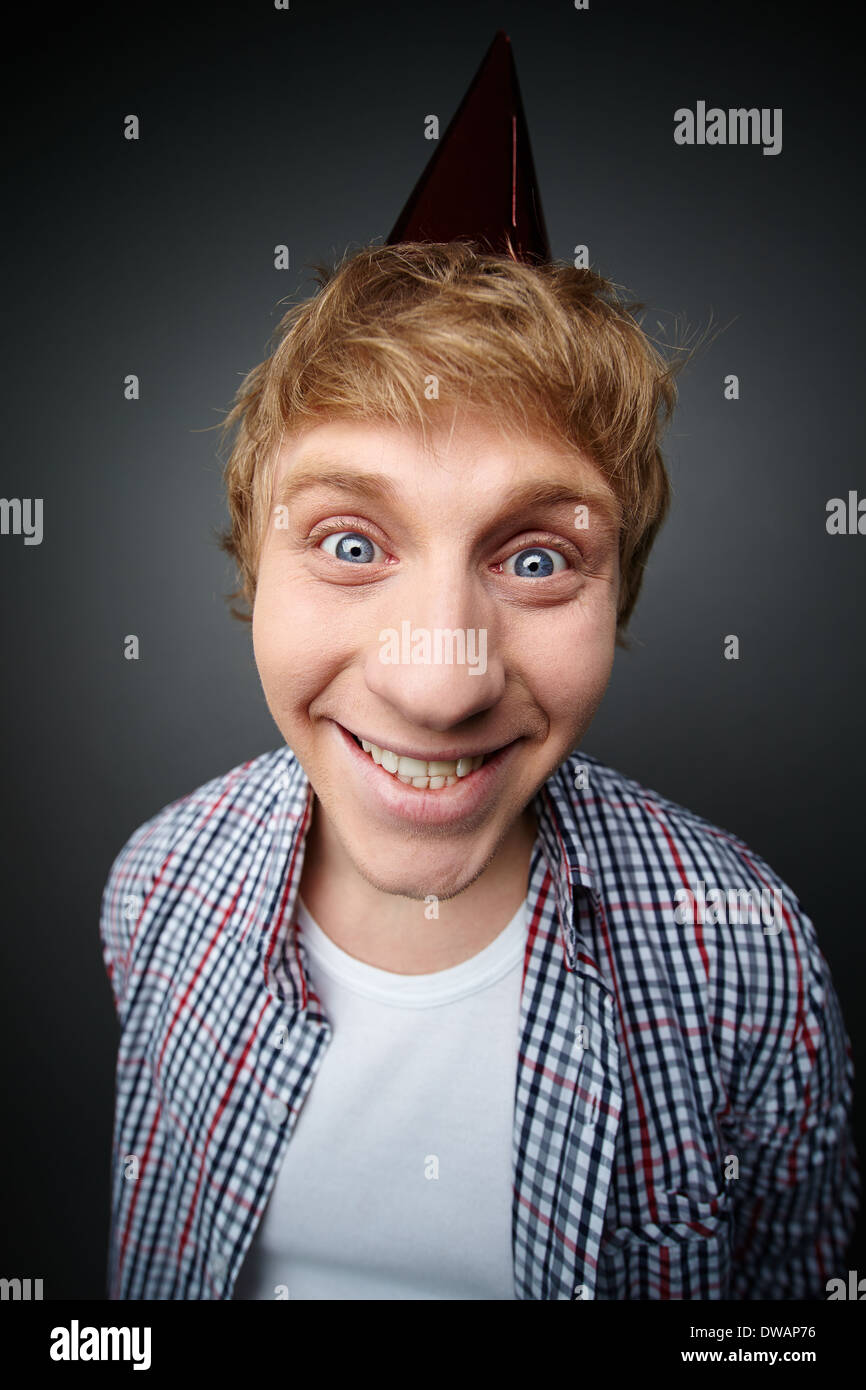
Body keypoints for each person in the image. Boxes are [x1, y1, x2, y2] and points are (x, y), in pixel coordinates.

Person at [99, 34, 858, 1301]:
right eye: (350, 541)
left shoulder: (743, 953)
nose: (438, 682)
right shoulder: (156, 891)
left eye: (537, 560)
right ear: (252, 569)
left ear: (618, 593)